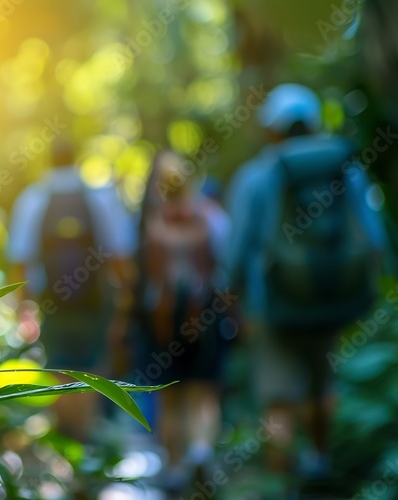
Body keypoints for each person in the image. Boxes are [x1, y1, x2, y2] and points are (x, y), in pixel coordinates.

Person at [225, 83, 387, 480]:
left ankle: (284, 483)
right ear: (314, 123)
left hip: (272, 303)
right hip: (330, 298)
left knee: (278, 400)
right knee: (322, 388)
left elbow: (238, 248)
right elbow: (374, 240)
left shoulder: (256, 175)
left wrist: (231, 299)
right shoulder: (343, 169)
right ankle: (319, 464)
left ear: (273, 129)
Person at [6, 136, 136, 442]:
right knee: (92, 366)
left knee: (58, 368)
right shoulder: (99, 197)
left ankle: (68, 440)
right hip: (94, 300)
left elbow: (20, 259)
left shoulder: (32, 199)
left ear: (49, 160)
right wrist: (126, 301)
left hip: (51, 302)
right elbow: (119, 255)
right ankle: (86, 436)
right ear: (76, 158)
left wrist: (22, 307)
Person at [133, 150, 232, 491]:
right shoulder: (211, 216)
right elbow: (227, 266)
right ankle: (201, 451)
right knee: (204, 393)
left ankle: (174, 469)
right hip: (206, 317)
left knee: (169, 397)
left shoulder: (148, 221)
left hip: (160, 322)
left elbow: (134, 273)